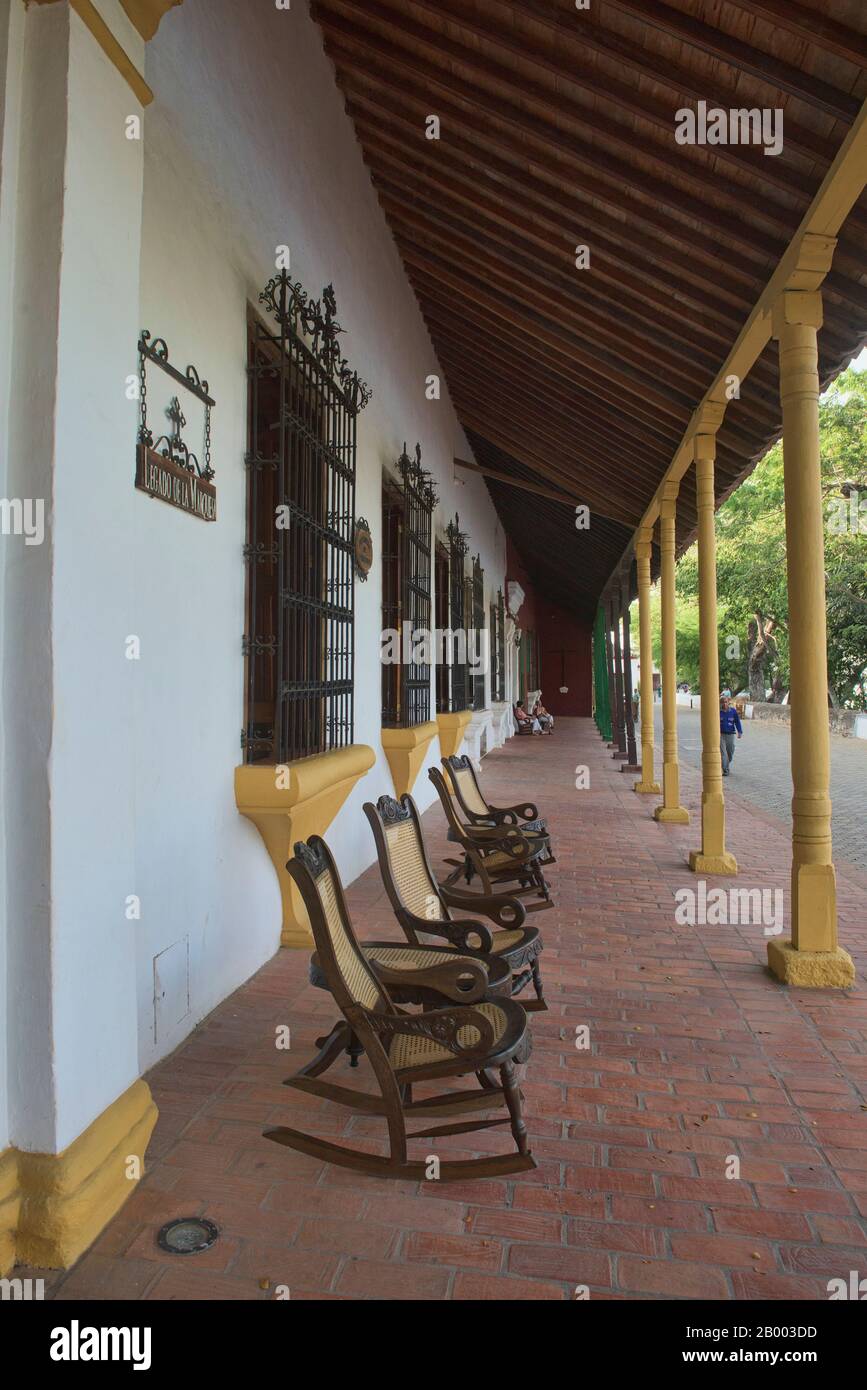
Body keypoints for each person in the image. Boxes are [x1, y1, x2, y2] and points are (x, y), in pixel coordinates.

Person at [720, 694, 742, 776]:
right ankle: (725, 769)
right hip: (721, 734)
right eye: (722, 702)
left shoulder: (733, 711)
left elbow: (737, 722)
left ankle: (725, 764)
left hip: (730, 734)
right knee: (723, 753)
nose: (724, 704)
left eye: (725, 702)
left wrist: (739, 731)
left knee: (730, 752)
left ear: (728, 702)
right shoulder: (718, 712)